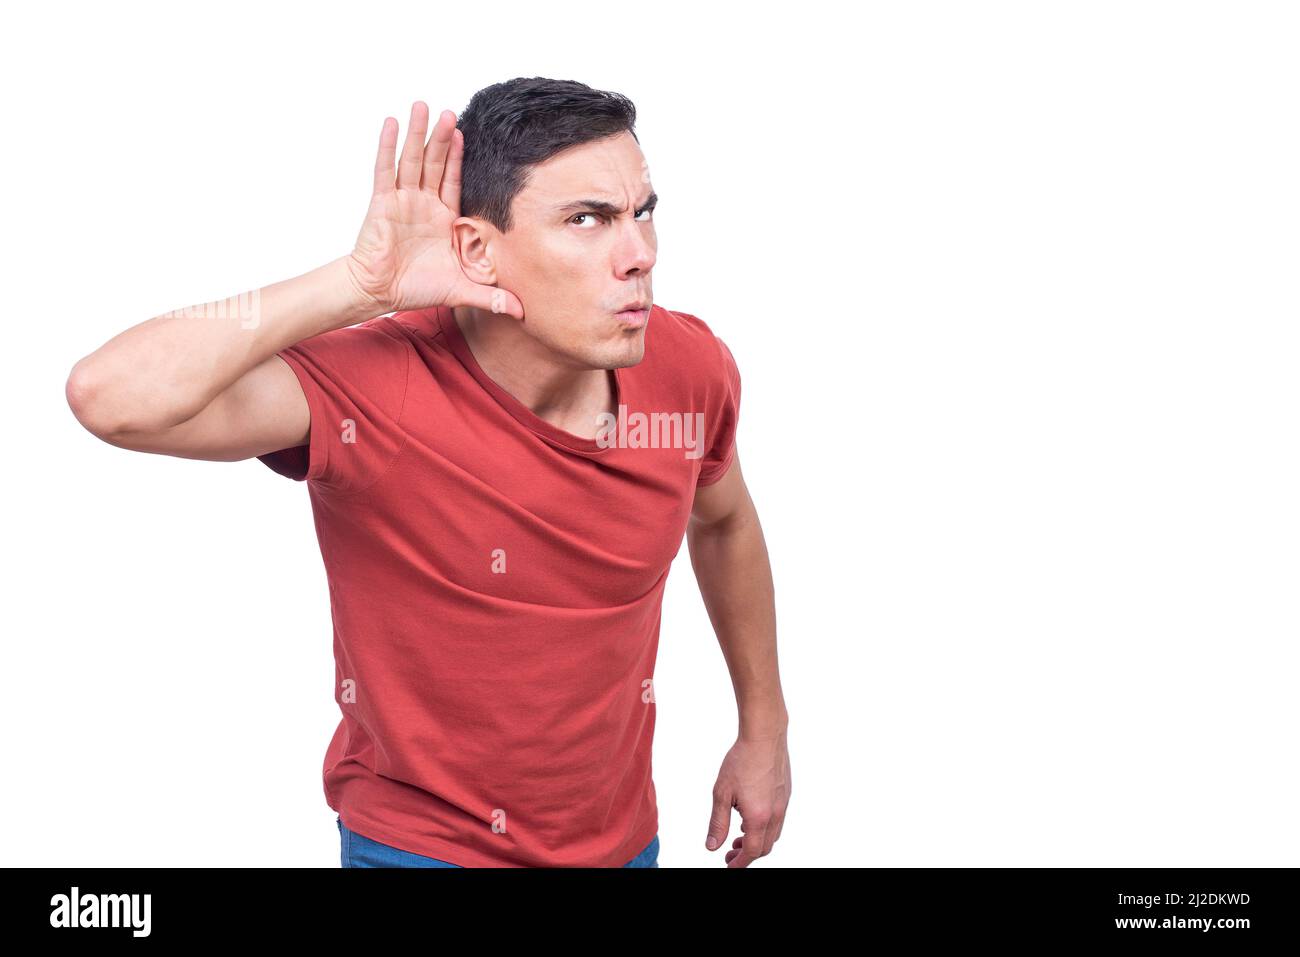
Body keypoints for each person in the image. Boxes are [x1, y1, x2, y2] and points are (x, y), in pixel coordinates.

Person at [66, 77, 790, 868]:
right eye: (586, 220)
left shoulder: (688, 366)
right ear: (477, 249)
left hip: (621, 844)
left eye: (641, 213)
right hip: (419, 848)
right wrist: (357, 285)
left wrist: (765, 730)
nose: (640, 255)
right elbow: (111, 397)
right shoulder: (374, 388)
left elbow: (724, 521)